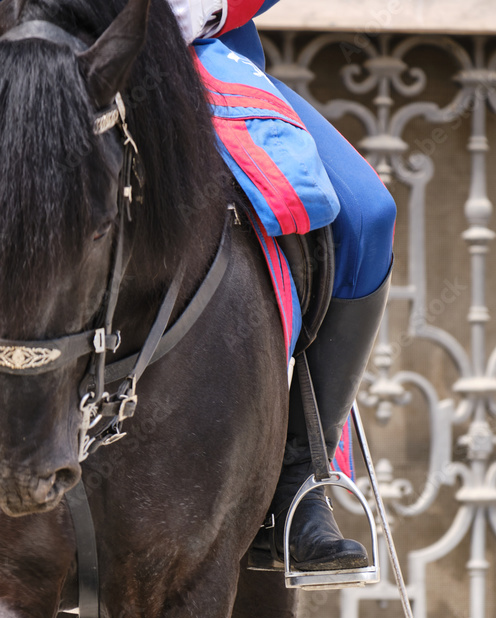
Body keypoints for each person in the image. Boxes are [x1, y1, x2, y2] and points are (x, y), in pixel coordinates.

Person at [170, 0, 396, 574]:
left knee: (368, 215)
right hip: (47, 47)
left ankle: (296, 483)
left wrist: (209, 6)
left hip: (198, 50)